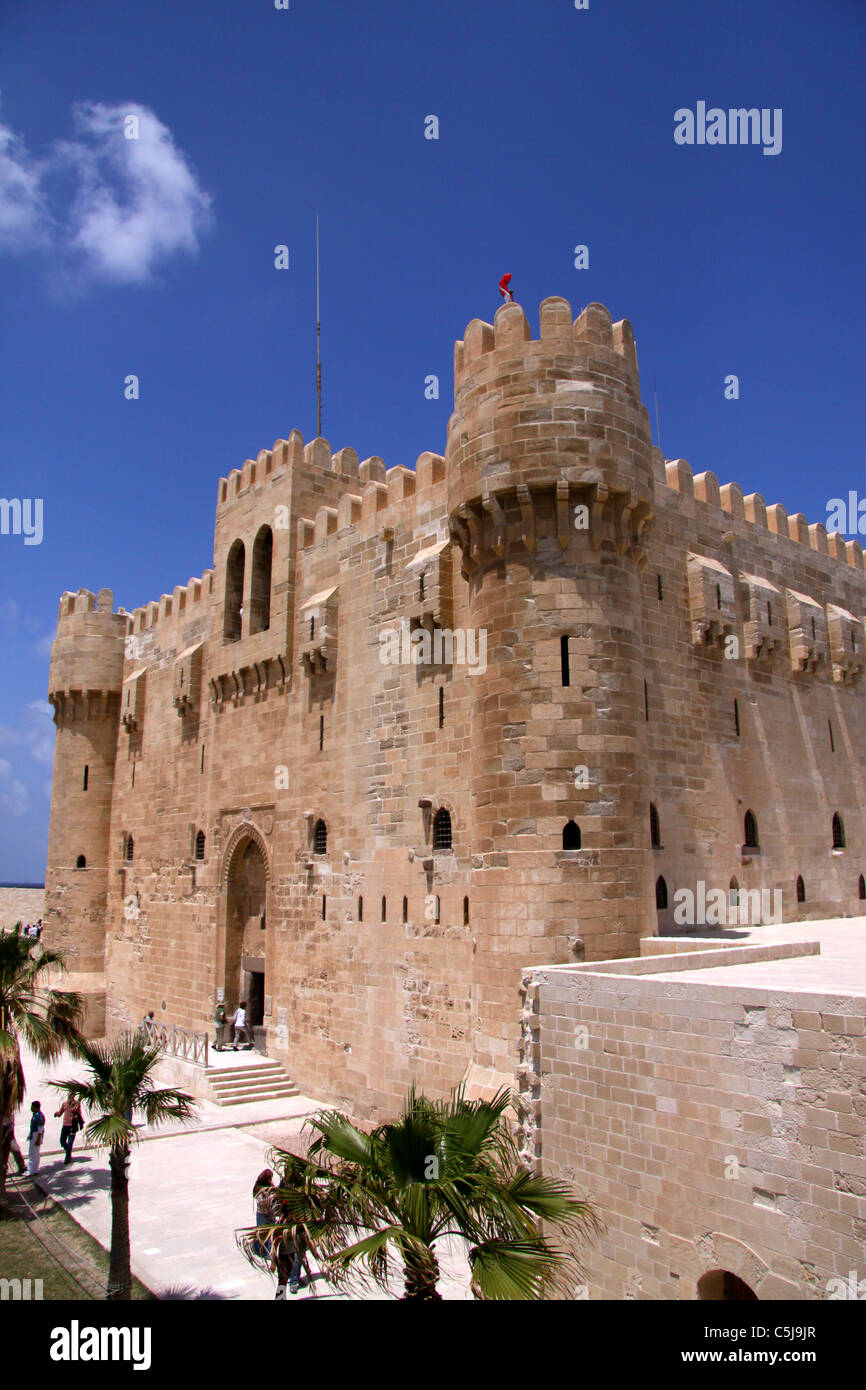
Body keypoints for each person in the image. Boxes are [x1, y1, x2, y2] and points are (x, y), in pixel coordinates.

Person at [55, 1095, 83, 1165]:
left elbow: (79, 1114)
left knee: (70, 1141)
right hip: (65, 1125)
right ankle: (68, 1151)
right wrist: (56, 1114)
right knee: (62, 1141)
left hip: (72, 1125)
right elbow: (60, 1113)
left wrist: (80, 1120)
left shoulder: (76, 1104)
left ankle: (67, 1157)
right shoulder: (65, 1103)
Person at [27, 1101, 45, 1175]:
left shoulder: (39, 1116)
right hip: (33, 1134)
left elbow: (40, 1128)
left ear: (36, 1107)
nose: (31, 1108)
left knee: (34, 1153)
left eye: (32, 1107)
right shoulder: (35, 1115)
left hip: (36, 1135)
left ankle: (33, 1170)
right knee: (32, 1153)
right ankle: (32, 1169)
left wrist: (38, 1139)